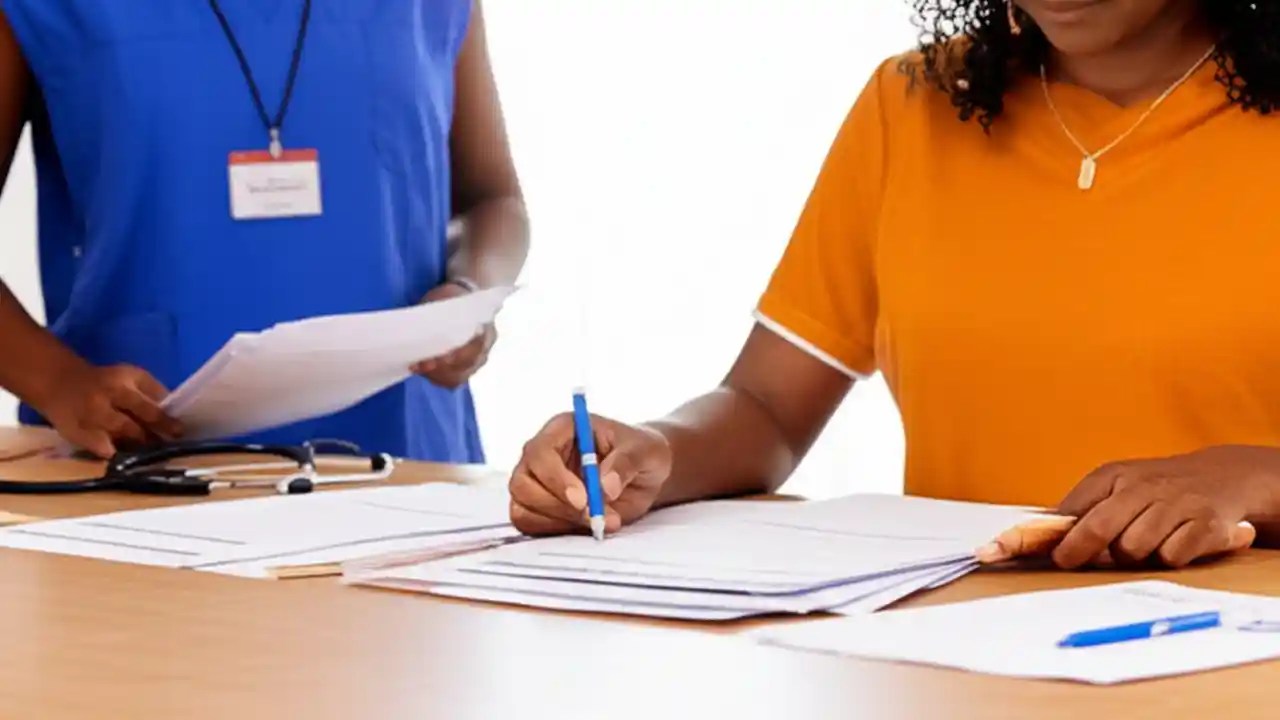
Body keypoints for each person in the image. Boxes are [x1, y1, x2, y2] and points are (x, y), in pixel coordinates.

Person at [511, 0, 1280, 570]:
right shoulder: (913, 106)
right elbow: (770, 407)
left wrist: (1253, 476)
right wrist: (653, 456)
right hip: (960, 647)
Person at [0, 0, 527, 462]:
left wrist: (467, 295)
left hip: (406, 458)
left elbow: (492, 199)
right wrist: (58, 382)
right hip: (138, 460)